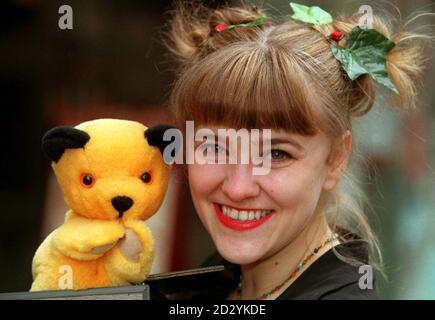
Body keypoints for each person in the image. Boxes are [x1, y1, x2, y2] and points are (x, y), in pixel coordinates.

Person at [163, 1, 432, 300]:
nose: (239, 188)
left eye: (277, 154)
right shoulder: (219, 280)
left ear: (336, 158)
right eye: (215, 147)